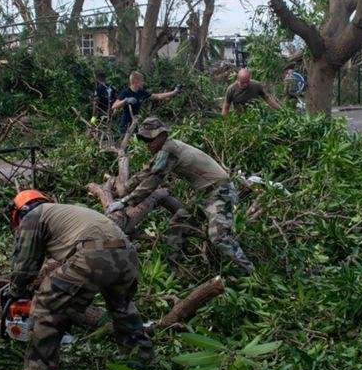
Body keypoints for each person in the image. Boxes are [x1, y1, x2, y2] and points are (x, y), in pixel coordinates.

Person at [3, 190, 152, 370]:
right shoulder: (64, 212)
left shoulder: (32, 217)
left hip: (94, 255)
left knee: (46, 306)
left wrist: (14, 292)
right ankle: (142, 361)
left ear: (19, 212)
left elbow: (24, 265)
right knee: (122, 308)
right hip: (127, 253)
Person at [107, 117, 254, 274]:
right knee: (176, 227)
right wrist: (124, 188)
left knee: (218, 237)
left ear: (162, 135)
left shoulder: (169, 150)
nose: (148, 144)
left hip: (220, 192)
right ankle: (173, 272)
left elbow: (152, 181)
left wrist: (125, 202)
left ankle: (249, 272)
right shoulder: (165, 149)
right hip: (204, 195)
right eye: (144, 140)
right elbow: (147, 171)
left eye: (150, 139)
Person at [111, 71, 179, 134]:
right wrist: (125, 100)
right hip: (126, 124)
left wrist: (174, 92)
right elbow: (114, 106)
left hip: (135, 122)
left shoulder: (141, 92)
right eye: (142, 81)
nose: (143, 83)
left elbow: (157, 96)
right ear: (136, 81)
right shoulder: (126, 92)